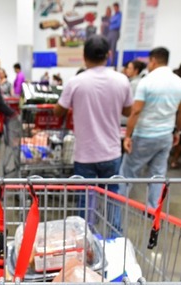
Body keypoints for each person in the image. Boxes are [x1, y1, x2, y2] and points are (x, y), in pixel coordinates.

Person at [54, 35, 132, 191]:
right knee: (111, 200)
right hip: (111, 152)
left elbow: (58, 111)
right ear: (109, 55)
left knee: (84, 200)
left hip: (85, 154)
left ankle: (84, 217)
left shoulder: (75, 82)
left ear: (84, 57)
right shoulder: (122, 80)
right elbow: (128, 111)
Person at [120, 47, 181, 208]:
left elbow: (136, 111)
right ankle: (153, 209)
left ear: (153, 61)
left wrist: (128, 136)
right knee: (158, 174)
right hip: (165, 136)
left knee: (128, 173)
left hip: (144, 134)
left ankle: (117, 204)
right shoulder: (180, 83)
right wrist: (177, 131)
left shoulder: (147, 82)